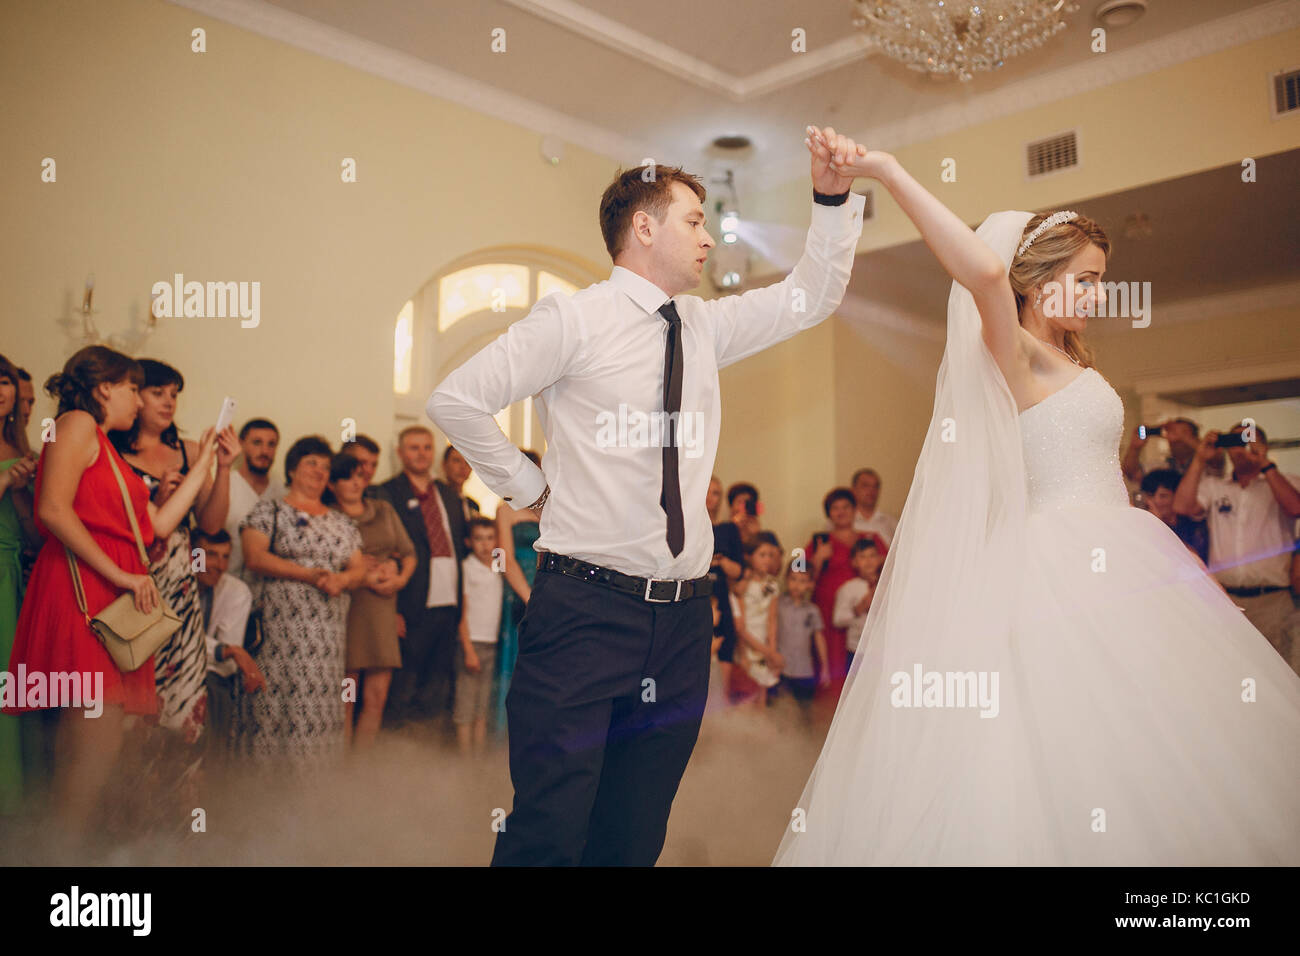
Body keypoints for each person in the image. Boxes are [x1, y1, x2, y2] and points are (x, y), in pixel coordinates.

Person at [775, 137, 1300, 865]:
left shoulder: (1073, 358)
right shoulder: (1011, 350)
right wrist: (887, 171)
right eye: (1084, 279)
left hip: (1123, 558)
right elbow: (986, 270)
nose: (1096, 295)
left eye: (1101, 280)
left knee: (1150, 750)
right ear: (1039, 278)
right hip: (1051, 567)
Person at [428, 126, 867, 866]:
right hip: (583, 611)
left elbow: (810, 298)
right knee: (549, 830)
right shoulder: (574, 319)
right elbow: (458, 399)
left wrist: (829, 198)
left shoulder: (704, 327)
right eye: (695, 220)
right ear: (644, 226)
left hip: (683, 621)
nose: (708, 238)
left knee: (632, 838)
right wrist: (528, 487)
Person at [4, 346, 217, 850]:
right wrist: (120, 575)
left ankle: (62, 854)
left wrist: (206, 461)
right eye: (131, 388)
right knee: (87, 755)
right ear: (104, 388)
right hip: (83, 591)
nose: (138, 402)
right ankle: (56, 862)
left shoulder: (100, 439)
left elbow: (158, 527)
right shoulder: (77, 423)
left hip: (105, 592)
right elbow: (53, 511)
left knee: (95, 751)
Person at [110, 359, 239, 813]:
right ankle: (129, 821)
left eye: (174, 394)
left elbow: (212, 523)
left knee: (183, 706)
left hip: (179, 589)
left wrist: (221, 468)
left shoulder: (187, 450)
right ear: (132, 396)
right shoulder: (109, 450)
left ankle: (182, 824)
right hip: (130, 582)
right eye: (157, 392)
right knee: (133, 712)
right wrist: (156, 504)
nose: (168, 401)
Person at [237, 436, 365, 774]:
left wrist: (343, 579)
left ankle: (315, 799)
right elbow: (254, 556)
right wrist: (308, 575)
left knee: (321, 713)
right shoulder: (270, 510)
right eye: (312, 463)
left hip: (327, 644)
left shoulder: (342, 523)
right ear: (292, 468)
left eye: (325, 467)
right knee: (273, 710)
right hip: (278, 640)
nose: (319, 471)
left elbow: (359, 567)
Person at [1173, 423, 1300, 673]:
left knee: (1281, 672)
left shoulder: (1285, 481)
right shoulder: (1215, 487)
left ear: (1262, 446)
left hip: (1273, 600)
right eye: (1233, 443)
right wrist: (1199, 458)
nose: (1240, 450)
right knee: (1231, 671)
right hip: (1226, 600)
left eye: (1246, 442)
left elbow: (1295, 508)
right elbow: (1181, 507)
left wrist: (1266, 464)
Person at [376, 426, 466, 729]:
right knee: (402, 688)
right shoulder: (386, 493)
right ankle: (395, 759)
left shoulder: (448, 495)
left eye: (427, 447)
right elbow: (384, 552)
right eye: (413, 447)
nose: (421, 453)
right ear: (400, 453)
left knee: (438, 687)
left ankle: (429, 756)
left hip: (448, 603)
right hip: (410, 605)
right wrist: (393, 610)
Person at [326, 452, 415, 750]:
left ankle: (361, 769)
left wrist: (398, 579)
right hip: (348, 606)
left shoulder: (383, 509)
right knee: (346, 696)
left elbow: (409, 553)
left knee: (377, 696)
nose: (355, 482)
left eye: (359, 476)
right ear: (331, 484)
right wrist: (360, 571)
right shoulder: (328, 516)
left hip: (382, 607)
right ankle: (339, 767)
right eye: (346, 477)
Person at [0, 353, 37, 814]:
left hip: (11, 577)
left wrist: (26, 489)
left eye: (4, 381)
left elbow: (32, 535)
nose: (1, 391)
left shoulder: (21, 449)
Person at [194, 528, 263, 766]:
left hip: (209, 677)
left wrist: (223, 651)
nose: (219, 565)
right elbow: (170, 639)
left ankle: (211, 780)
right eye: (210, 554)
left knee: (215, 685)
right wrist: (224, 650)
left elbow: (225, 664)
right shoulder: (172, 583)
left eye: (225, 557)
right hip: (167, 671)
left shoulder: (236, 590)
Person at [807, 487, 883, 688]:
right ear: (828, 513)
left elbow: (890, 565)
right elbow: (797, 568)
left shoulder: (871, 537)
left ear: (854, 509)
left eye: (846, 507)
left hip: (865, 606)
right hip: (828, 611)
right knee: (832, 661)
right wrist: (818, 557)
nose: (841, 512)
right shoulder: (819, 540)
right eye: (835, 508)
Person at [492, 448, 541, 735]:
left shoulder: (549, 508)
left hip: (547, 590)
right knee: (516, 659)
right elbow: (504, 558)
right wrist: (529, 597)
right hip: (519, 591)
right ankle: (507, 733)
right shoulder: (505, 510)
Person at [455, 517, 503, 757]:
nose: (485, 545)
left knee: (483, 705)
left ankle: (478, 755)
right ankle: (465, 756)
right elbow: (461, 613)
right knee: (466, 701)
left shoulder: (499, 567)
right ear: (468, 542)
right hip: (472, 643)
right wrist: (468, 650)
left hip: (493, 643)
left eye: (489, 538)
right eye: (478, 539)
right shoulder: (466, 567)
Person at [223, 419, 284, 580]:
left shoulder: (283, 492)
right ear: (241, 444)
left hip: (270, 590)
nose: (265, 451)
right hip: (226, 585)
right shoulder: (226, 485)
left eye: (271, 444)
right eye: (257, 442)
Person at [774, 563, 828, 725]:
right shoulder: (778, 604)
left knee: (804, 714)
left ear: (811, 584)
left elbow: (819, 637)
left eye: (803, 581)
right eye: (793, 579)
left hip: (805, 670)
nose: (797, 585)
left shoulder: (812, 610)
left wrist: (825, 667)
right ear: (786, 580)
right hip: (781, 667)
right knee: (780, 711)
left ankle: (804, 743)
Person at [832, 537, 883, 671]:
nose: (868, 561)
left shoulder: (888, 586)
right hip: (857, 650)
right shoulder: (848, 588)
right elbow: (838, 620)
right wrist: (859, 609)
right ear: (854, 562)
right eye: (862, 557)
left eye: (872, 556)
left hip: (882, 648)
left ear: (879, 559)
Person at [1139, 468, 1208, 563]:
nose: (1156, 501)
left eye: (1163, 496)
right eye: (1151, 496)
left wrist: (1159, 524)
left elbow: (1193, 558)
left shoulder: (1193, 523)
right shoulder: (1143, 525)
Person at [847, 468, 897, 546]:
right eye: (865, 485)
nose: (871, 490)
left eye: (875, 486)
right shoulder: (841, 522)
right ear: (853, 489)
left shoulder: (891, 523)